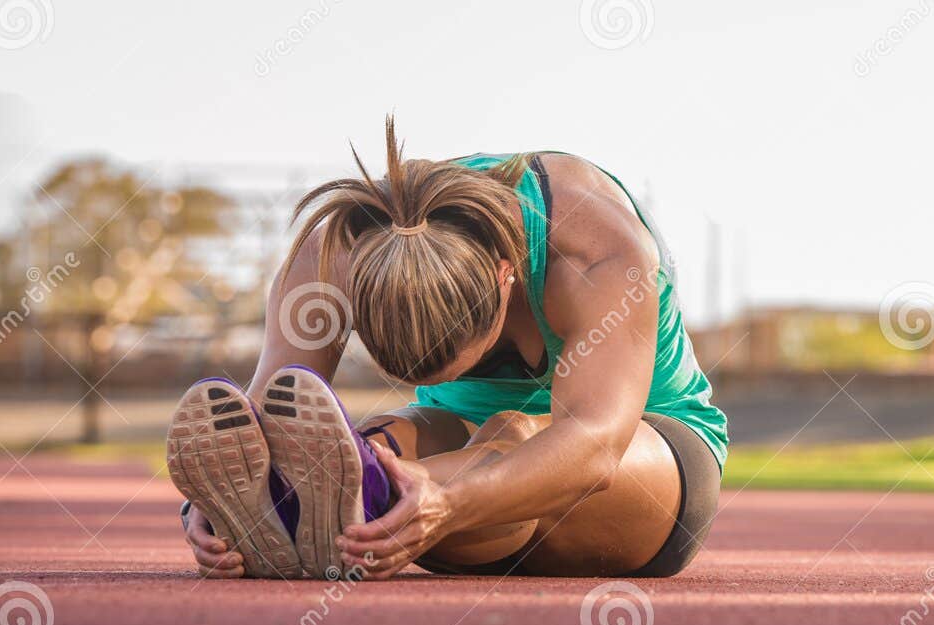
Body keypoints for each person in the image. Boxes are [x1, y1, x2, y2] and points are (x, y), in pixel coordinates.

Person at [166, 119, 727, 581]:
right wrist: (216, 505)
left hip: (647, 467)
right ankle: (347, 502)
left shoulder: (592, 245)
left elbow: (594, 445)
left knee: (513, 433)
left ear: (506, 277)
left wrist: (447, 500)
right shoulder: (336, 250)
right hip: (463, 496)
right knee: (379, 441)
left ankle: (372, 498)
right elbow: (264, 416)